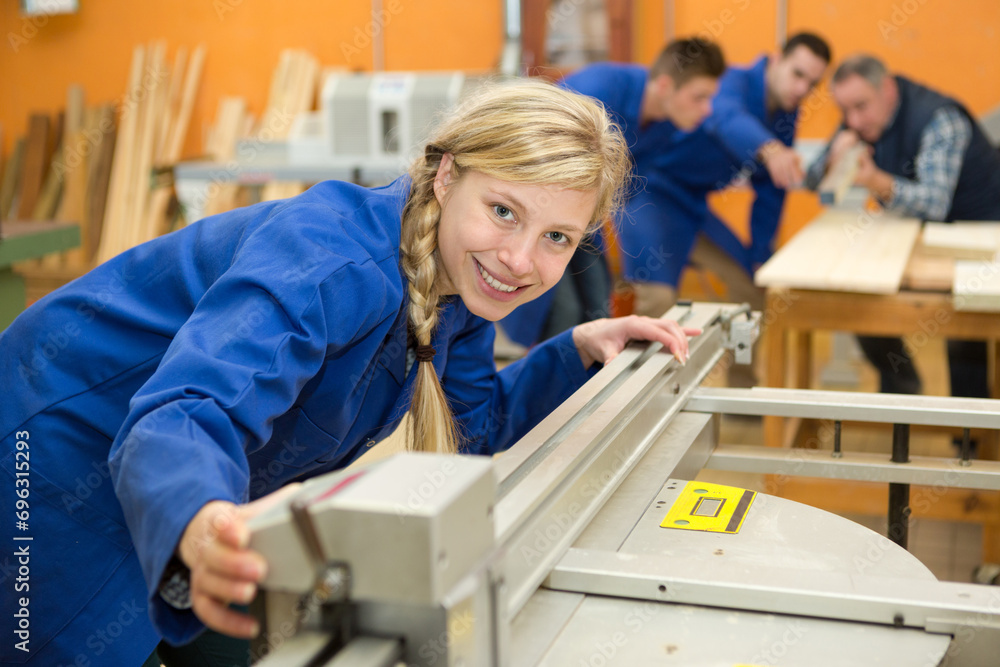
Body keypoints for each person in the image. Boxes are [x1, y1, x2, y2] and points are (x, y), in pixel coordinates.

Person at [0, 80, 699, 666]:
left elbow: (476, 427)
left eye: (556, 238)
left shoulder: (459, 284)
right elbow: (183, 410)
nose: (520, 259)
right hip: (57, 455)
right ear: (448, 175)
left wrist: (576, 345)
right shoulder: (329, 262)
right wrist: (199, 515)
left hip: (196, 484)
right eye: (503, 211)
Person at [500, 36, 726, 348]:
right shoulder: (597, 92)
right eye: (699, 98)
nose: (706, 110)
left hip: (578, 219)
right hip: (537, 210)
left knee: (598, 306)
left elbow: (626, 188)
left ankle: (587, 389)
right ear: (664, 86)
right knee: (561, 312)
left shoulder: (667, 124)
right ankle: (547, 388)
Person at [806, 54, 1000, 399]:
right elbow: (812, 181)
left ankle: (969, 437)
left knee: (962, 325)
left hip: (980, 227)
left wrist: (877, 181)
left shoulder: (940, 119)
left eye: (861, 107)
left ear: (888, 90)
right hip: (920, 229)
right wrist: (833, 158)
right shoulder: (858, 118)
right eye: (844, 111)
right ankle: (901, 390)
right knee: (863, 301)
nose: (853, 119)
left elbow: (934, 203)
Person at [623, 31, 831, 319]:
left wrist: (761, 253)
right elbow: (725, 117)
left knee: (751, 284)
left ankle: (743, 366)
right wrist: (769, 149)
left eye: (812, 84)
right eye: (797, 74)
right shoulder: (732, 80)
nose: (801, 89)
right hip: (650, 192)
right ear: (777, 59)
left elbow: (772, 188)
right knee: (659, 300)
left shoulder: (786, 115)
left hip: (692, 204)